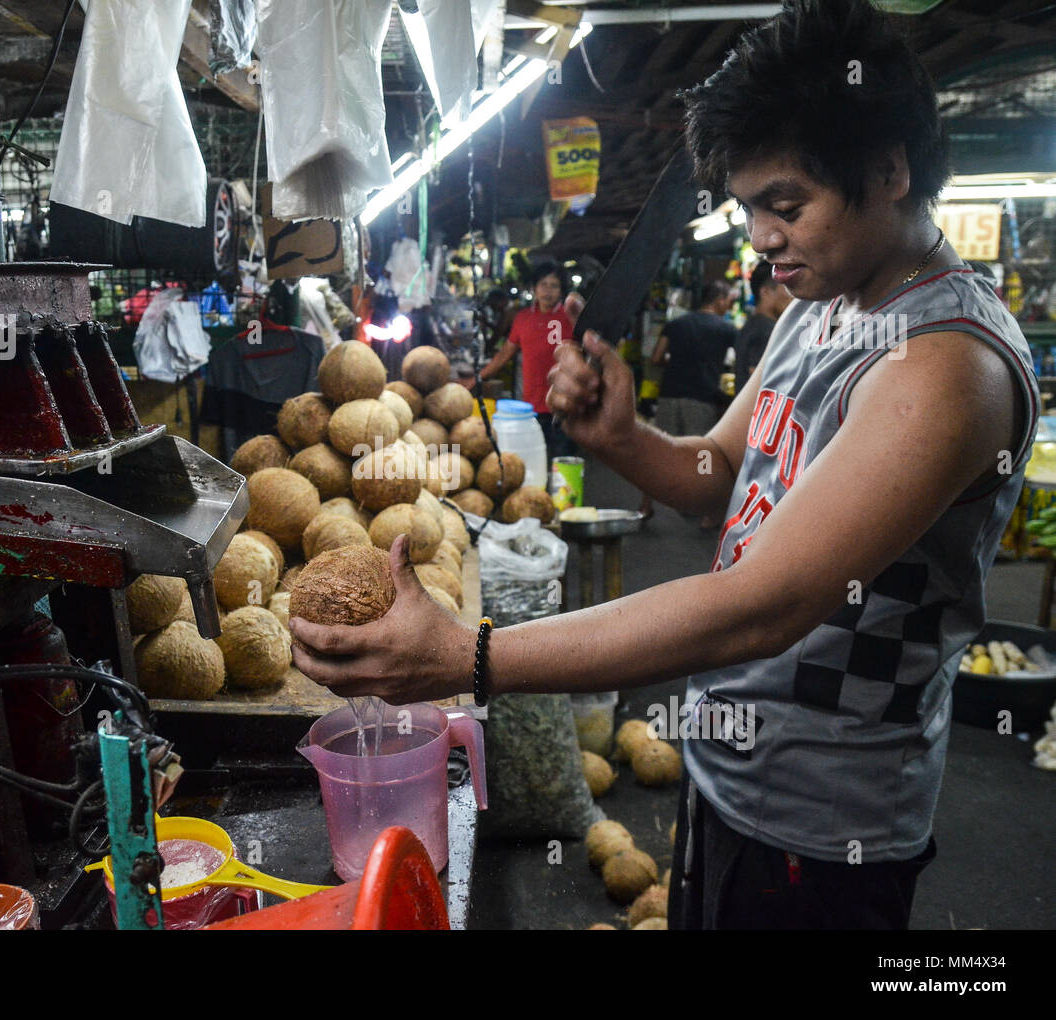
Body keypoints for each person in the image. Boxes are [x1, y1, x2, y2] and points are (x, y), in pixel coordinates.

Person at [289, 0, 1037, 930]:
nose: (762, 238)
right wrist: (623, 438)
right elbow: (722, 472)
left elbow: (766, 604)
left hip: (824, 820)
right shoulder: (823, 303)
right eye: (751, 207)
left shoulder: (945, 365)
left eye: (786, 205)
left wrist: (470, 657)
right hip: (733, 772)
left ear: (889, 170)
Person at [640, 281, 737, 523]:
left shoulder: (676, 324)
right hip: (701, 398)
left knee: (661, 453)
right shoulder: (726, 329)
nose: (729, 306)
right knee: (703, 456)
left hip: (670, 394)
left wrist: (676, 363)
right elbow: (740, 361)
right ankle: (707, 513)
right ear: (720, 300)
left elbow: (656, 357)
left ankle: (645, 505)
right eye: (728, 301)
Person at [477, 261, 577, 459]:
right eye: (543, 284)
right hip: (530, 407)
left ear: (561, 291)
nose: (548, 291)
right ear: (534, 288)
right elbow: (505, 354)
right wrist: (477, 379)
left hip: (564, 406)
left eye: (554, 285)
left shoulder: (570, 317)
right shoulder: (522, 318)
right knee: (532, 460)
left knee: (562, 464)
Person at [734, 260, 792, 396]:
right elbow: (761, 384)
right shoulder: (767, 330)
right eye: (787, 288)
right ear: (766, 292)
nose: (792, 297)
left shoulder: (752, 325)